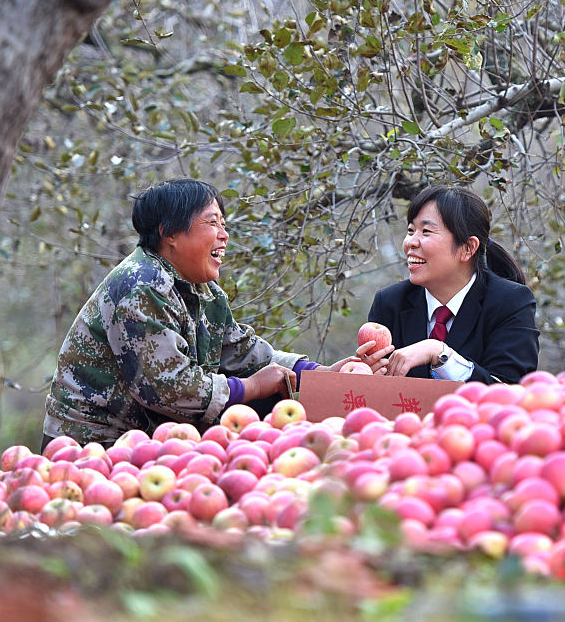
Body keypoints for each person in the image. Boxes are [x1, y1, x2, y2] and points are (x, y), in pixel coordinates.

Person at [43, 178, 351, 447]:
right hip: (91, 444)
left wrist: (315, 374)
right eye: (212, 222)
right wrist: (253, 387)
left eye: (224, 224)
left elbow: (243, 352)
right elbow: (170, 389)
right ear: (170, 234)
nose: (224, 235)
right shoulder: (141, 284)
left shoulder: (201, 289)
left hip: (150, 440)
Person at [358, 184, 539, 384]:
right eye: (411, 230)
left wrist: (439, 353)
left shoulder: (510, 302)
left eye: (426, 231)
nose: (411, 242)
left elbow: (508, 391)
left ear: (468, 248)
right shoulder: (390, 303)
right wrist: (368, 377)